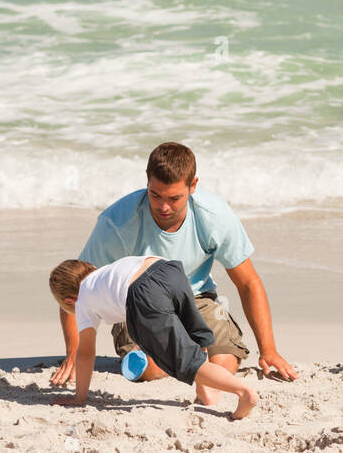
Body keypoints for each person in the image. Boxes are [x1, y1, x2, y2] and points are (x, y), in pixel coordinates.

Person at [50, 142, 298, 387]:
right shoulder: (117, 222)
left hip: (196, 298)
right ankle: (177, 353)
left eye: (174, 198)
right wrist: (73, 354)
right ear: (147, 182)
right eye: (155, 195)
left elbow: (247, 282)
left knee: (224, 364)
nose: (163, 207)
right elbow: (77, 289)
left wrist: (268, 350)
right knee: (153, 369)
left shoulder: (214, 217)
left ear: (193, 186)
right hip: (134, 304)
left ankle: (192, 352)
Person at [49, 256, 258, 418]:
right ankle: (206, 392)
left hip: (142, 290)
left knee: (182, 360)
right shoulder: (104, 273)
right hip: (168, 268)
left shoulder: (82, 299)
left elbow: (85, 352)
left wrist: (80, 398)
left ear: (70, 300)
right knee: (192, 335)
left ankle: (243, 392)